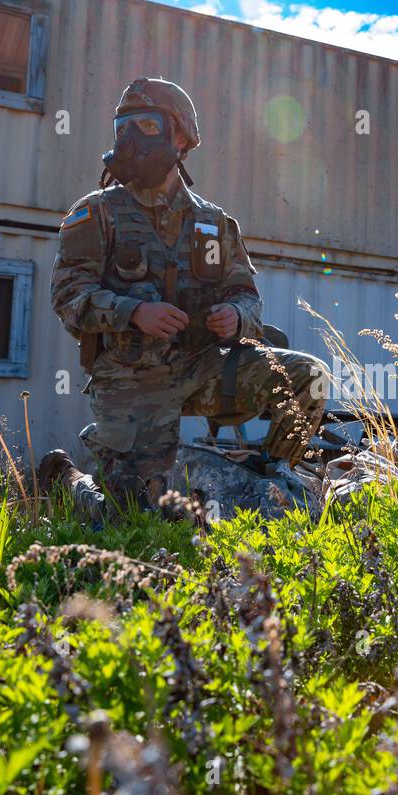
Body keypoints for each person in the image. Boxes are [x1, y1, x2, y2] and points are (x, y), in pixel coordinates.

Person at [38, 77, 327, 518]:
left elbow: (248, 298)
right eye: (123, 127)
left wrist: (235, 316)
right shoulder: (95, 213)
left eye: (147, 125)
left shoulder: (214, 222)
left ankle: (272, 480)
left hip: (204, 367)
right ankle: (69, 483)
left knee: (311, 376)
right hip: (130, 376)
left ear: (180, 137)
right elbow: (69, 296)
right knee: (131, 516)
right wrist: (134, 313)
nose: (132, 138)